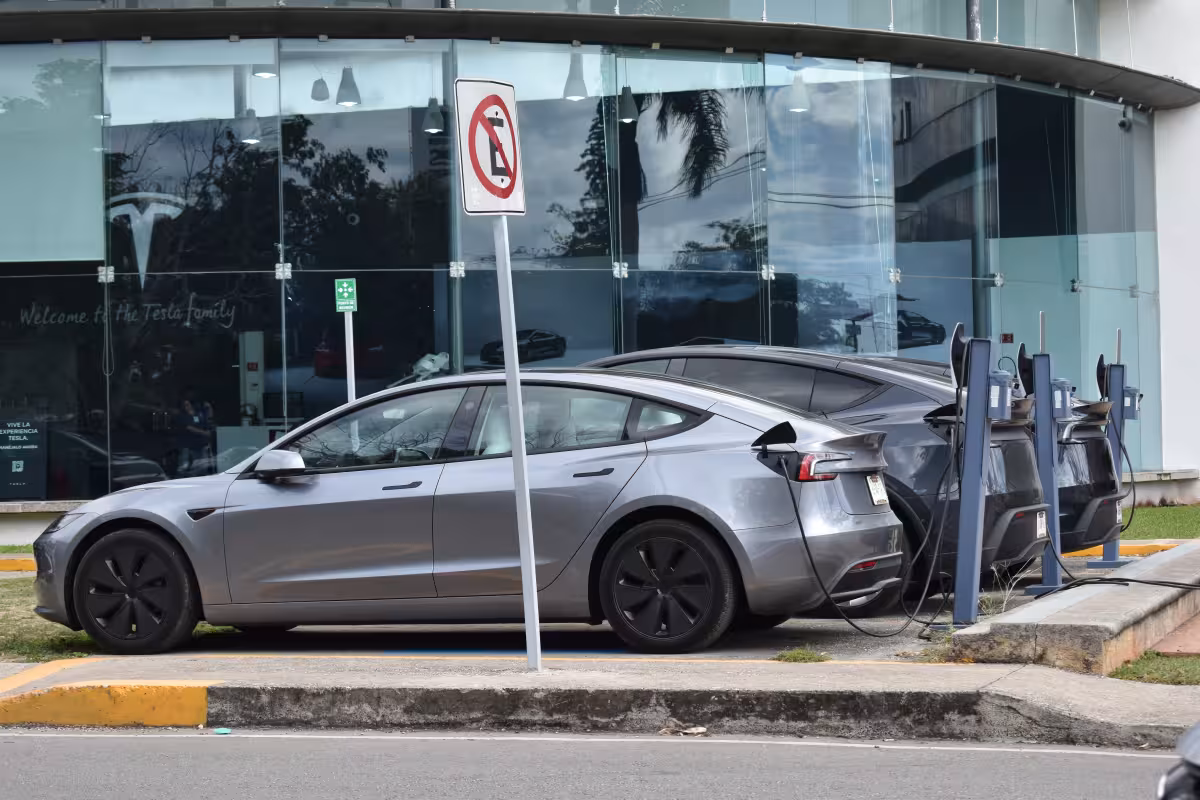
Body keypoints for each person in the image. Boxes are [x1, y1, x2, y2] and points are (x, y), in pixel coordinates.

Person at [175, 399, 210, 476]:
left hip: (199, 444)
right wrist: (204, 433)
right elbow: (189, 428)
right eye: (185, 405)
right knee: (184, 464)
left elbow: (205, 421)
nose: (187, 407)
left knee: (200, 464)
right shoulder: (182, 416)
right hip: (186, 444)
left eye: (188, 404)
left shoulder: (197, 414)